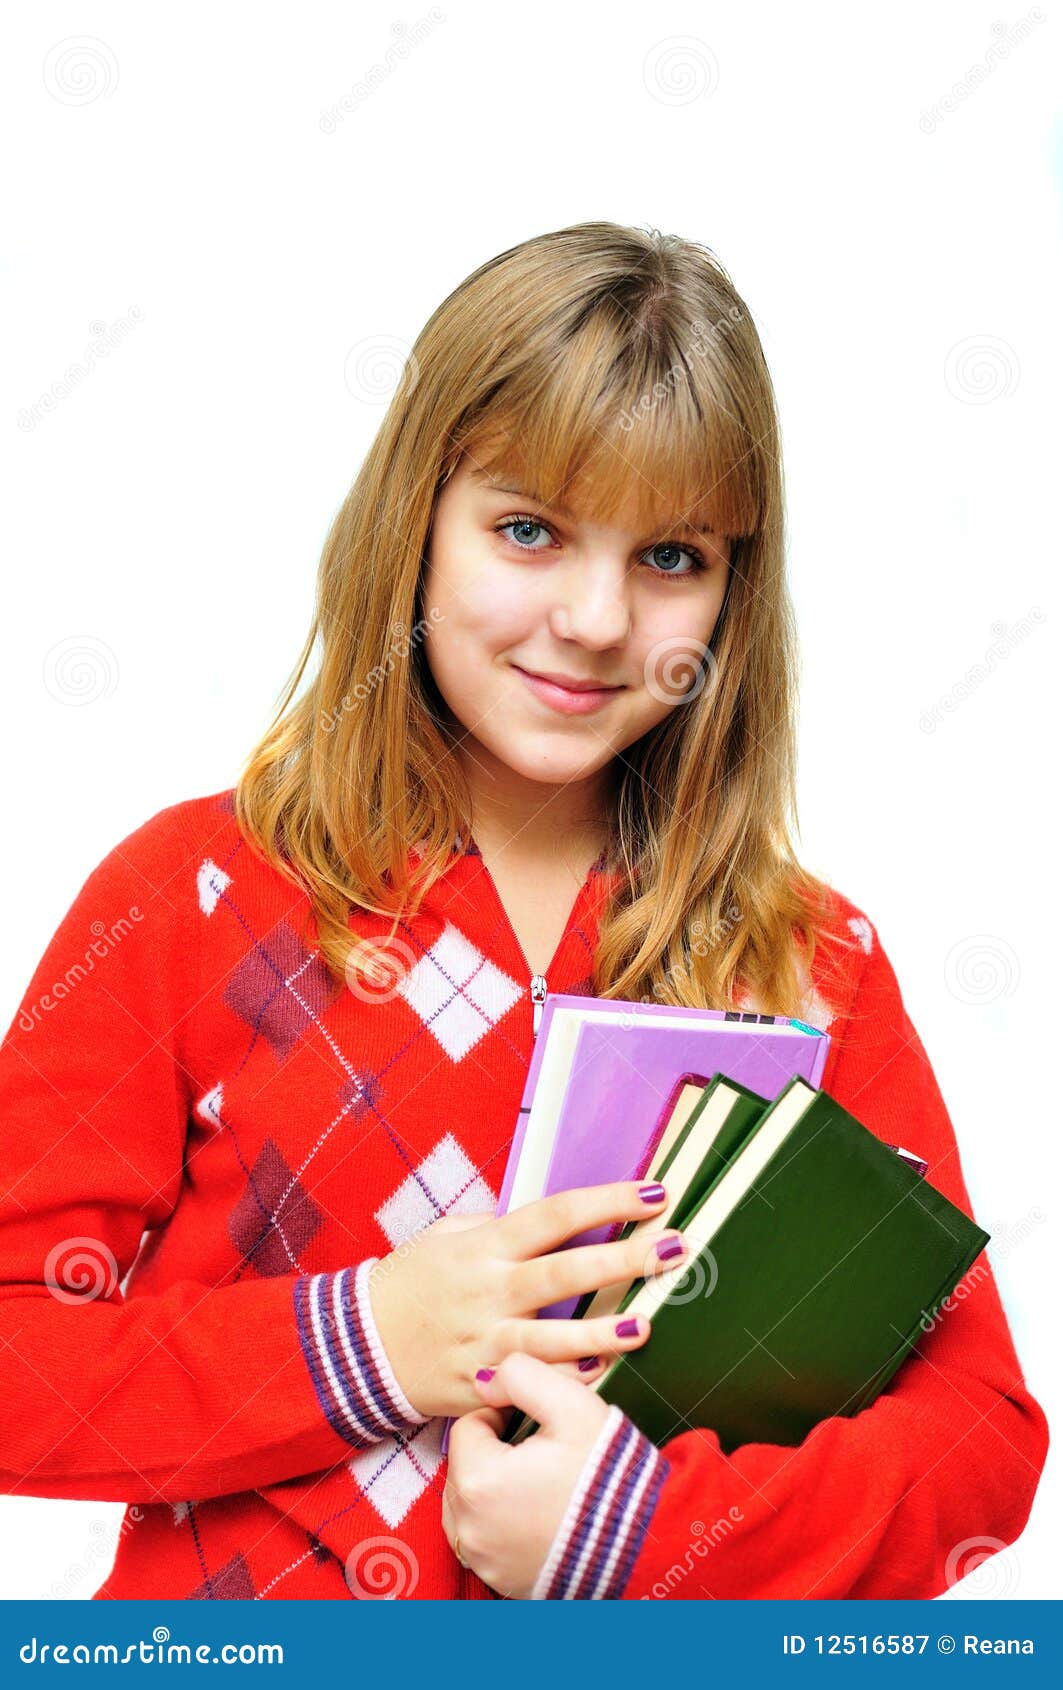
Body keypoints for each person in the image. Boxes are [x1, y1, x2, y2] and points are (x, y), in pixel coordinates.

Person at [0, 222, 1047, 1601]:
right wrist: (355, 1338)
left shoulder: (810, 957)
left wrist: (650, 1526)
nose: (597, 617)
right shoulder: (189, 893)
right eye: (529, 530)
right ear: (414, 524)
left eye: (672, 554)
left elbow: (979, 1441)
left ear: (736, 593)